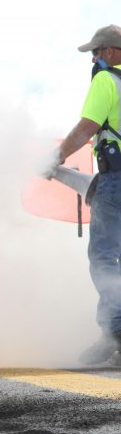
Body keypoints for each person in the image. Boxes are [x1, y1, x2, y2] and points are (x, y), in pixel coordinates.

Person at [52, 24, 121, 364]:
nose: (93, 59)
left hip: (115, 180)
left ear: (108, 51)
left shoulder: (107, 80)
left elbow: (87, 128)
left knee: (104, 256)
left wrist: (57, 156)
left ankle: (115, 331)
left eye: (95, 52)